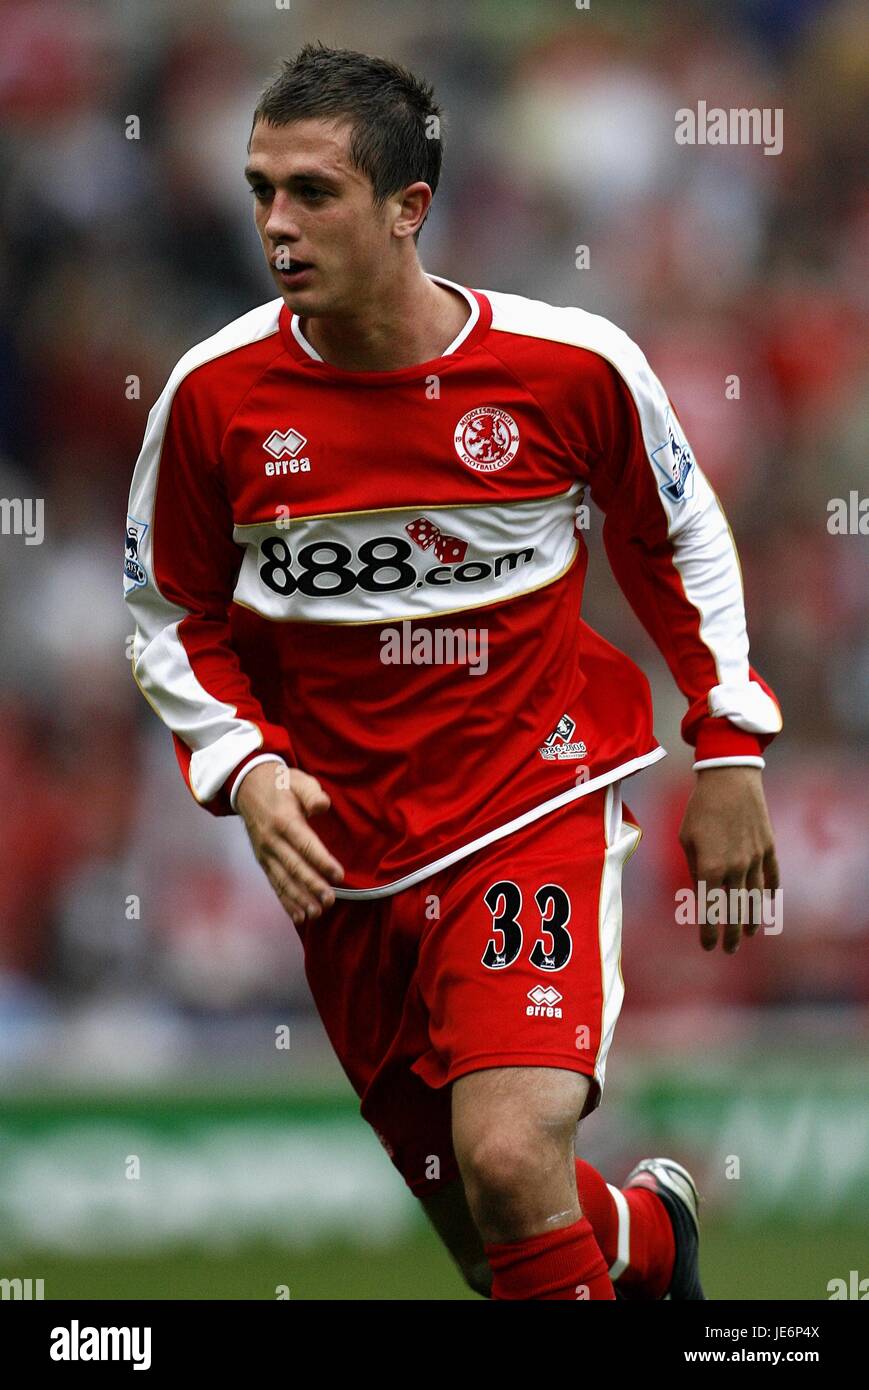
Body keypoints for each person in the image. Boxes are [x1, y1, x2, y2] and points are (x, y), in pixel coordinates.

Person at [124, 43, 781, 1301]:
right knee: (494, 1238)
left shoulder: (567, 365)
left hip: (528, 805)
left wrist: (730, 743)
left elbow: (676, 533)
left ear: (406, 208)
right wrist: (246, 768)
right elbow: (166, 612)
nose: (274, 222)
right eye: (261, 187)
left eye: (312, 192)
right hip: (346, 858)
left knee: (507, 1150)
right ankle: (650, 1239)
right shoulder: (213, 399)